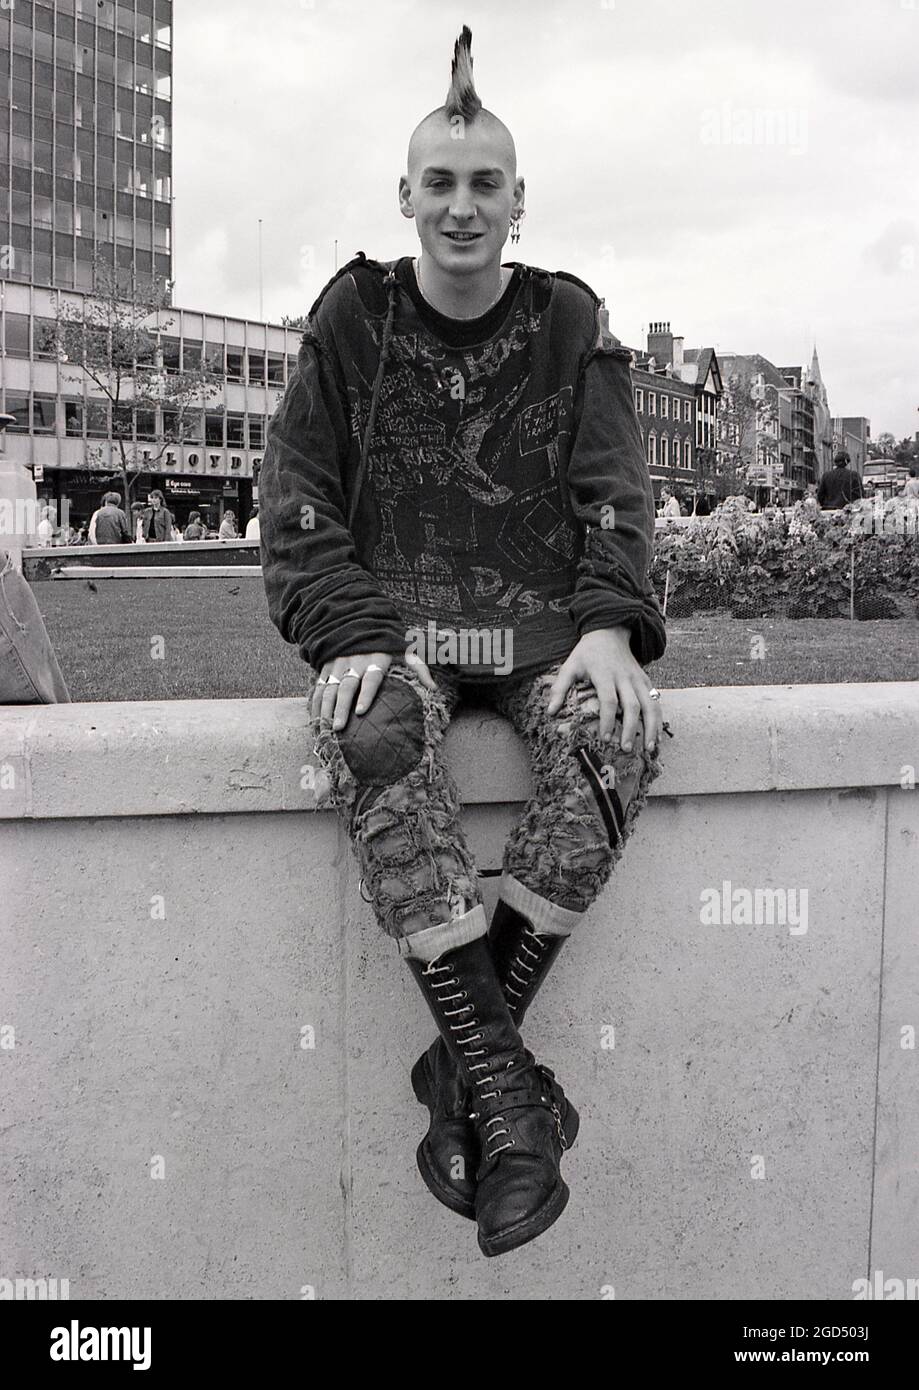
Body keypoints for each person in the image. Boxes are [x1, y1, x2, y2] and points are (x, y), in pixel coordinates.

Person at [259, 27, 667, 1258]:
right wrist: (353, 634)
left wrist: (606, 621)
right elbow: (296, 505)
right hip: (406, 632)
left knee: (617, 735)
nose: (461, 204)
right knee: (372, 727)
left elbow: (614, 493)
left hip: (541, 626)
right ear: (404, 199)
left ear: (517, 202)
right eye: (438, 182)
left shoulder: (570, 321)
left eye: (485, 182)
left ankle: (465, 1077)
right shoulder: (352, 319)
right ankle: (507, 1092)